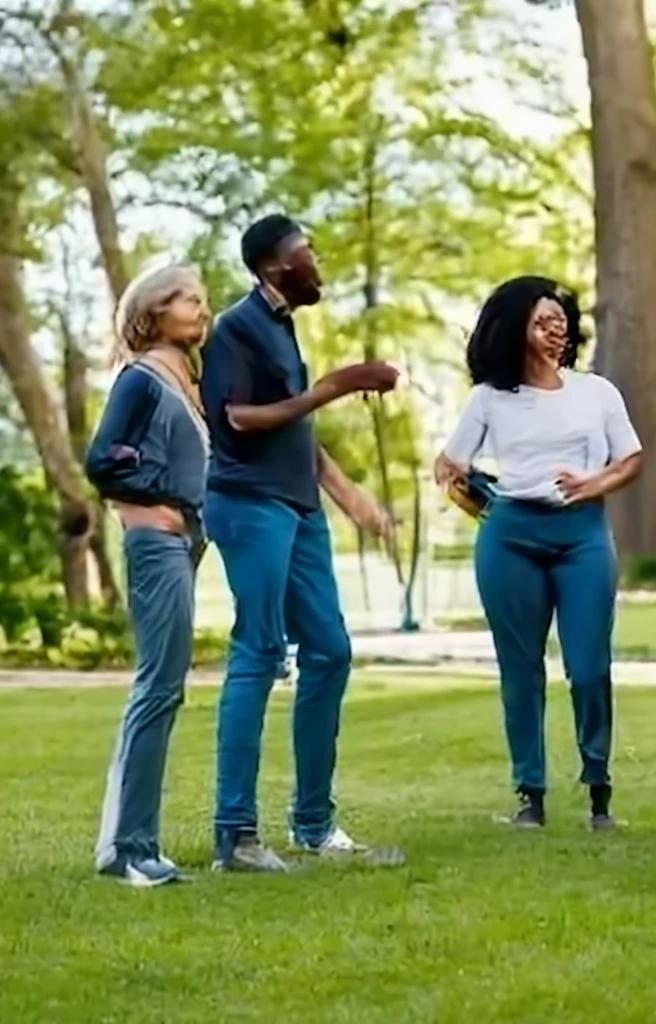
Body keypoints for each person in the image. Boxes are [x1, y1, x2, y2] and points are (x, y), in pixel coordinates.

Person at [200, 214, 401, 872]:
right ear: (275, 266)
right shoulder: (235, 327)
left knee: (332, 651)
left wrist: (350, 497)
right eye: (308, 251)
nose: (318, 261)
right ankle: (237, 835)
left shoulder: (283, 328)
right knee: (258, 651)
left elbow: (295, 432)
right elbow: (239, 417)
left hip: (299, 508)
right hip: (249, 504)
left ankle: (314, 824)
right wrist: (335, 386)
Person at [435, 277, 643, 829]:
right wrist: (478, 502)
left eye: (561, 321)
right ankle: (531, 794)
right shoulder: (489, 399)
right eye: (542, 322)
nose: (557, 331)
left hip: (581, 535)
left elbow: (630, 460)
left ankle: (598, 785)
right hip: (510, 538)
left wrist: (591, 484)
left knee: (589, 666)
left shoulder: (596, 392)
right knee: (521, 670)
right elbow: (448, 466)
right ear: (517, 332)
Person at [86, 263, 211, 887]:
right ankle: (126, 848)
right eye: (187, 298)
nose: (201, 307)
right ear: (153, 310)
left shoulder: (182, 381)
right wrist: (156, 501)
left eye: (202, 298)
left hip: (182, 544)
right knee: (157, 686)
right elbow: (103, 459)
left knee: (167, 686)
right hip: (157, 545)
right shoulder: (139, 381)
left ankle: (137, 843)